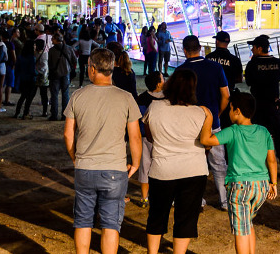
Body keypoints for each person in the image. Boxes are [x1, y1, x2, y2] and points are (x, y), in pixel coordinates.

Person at [63, 48, 142, 254]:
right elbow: (135, 136)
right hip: (115, 168)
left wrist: (75, 158)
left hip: (85, 167)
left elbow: (68, 134)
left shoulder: (78, 96)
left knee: (83, 221)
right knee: (110, 224)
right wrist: (136, 163)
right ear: (112, 69)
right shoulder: (126, 98)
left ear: (92, 69)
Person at [200, 90, 279, 254]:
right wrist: (274, 183)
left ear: (237, 111)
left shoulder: (233, 131)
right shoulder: (264, 131)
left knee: (241, 231)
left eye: (230, 109)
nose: (228, 112)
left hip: (239, 187)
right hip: (261, 187)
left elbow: (206, 140)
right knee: (248, 224)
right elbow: (272, 160)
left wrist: (209, 118)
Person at [142, 68, 208, 254]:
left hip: (162, 170)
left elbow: (149, 136)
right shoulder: (200, 113)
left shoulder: (154, 107)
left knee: (157, 215)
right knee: (186, 218)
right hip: (194, 171)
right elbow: (206, 143)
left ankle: (152, 252)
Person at [179, 35, 230, 210]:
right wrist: (217, 113)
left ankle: (198, 200)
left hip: (189, 124)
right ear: (200, 48)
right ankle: (224, 200)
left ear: (184, 50)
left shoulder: (181, 71)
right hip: (213, 122)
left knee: (193, 163)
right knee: (219, 163)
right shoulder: (216, 67)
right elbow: (226, 95)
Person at [244, 34, 280, 179]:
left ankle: (256, 168)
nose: (252, 49)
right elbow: (277, 78)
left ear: (260, 48)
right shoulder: (278, 63)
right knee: (279, 137)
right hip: (273, 106)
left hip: (257, 106)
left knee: (256, 138)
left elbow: (249, 82)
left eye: (253, 47)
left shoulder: (252, 64)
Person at [136, 71, 165, 208]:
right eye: (162, 78)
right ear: (158, 84)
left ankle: (144, 197)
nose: (164, 80)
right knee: (163, 165)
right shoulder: (167, 98)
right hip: (163, 137)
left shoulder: (142, 98)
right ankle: (163, 196)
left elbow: (138, 121)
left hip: (145, 138)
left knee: (145, 166)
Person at [206, 31, 243, 129]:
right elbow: (240, 79)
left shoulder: (208, 58)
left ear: (217, 41)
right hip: (228, 95)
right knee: (227, 125)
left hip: (211, 96)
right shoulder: (234, 60)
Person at [48, 32, 76, 121]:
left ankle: (54, 115)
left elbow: (49, 63)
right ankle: (64, 115)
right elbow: (74, 60)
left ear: (56, 40)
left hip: (55, 75)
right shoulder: (69, 48)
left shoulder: (51, 50)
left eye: (52, 39)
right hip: (66, 74)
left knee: (54, 95)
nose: (51, 40)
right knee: (65, 94)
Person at [13, 40, 37, 119]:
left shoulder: (20, 57)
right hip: (31, 79)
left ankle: (17, 112)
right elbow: (33, 70)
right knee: (29, 98)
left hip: (22, 79)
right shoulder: (32, 58)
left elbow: (17, 69)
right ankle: (26, 113)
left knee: (22, 96)